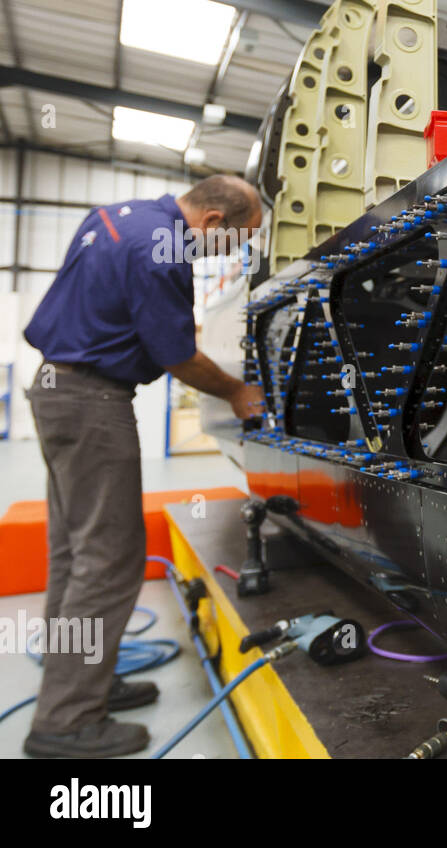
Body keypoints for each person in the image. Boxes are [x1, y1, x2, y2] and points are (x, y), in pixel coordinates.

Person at [21, 175, 266, 758]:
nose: (232, 254)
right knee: (109, 559)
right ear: (211, 223)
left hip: (55, 391)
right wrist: (237, 391)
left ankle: (83, 684)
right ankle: (67, 721)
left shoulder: (116, 215)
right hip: (92, 404)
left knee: (74, 555)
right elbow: (176, 355)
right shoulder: (163, 250)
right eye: (237, 241)